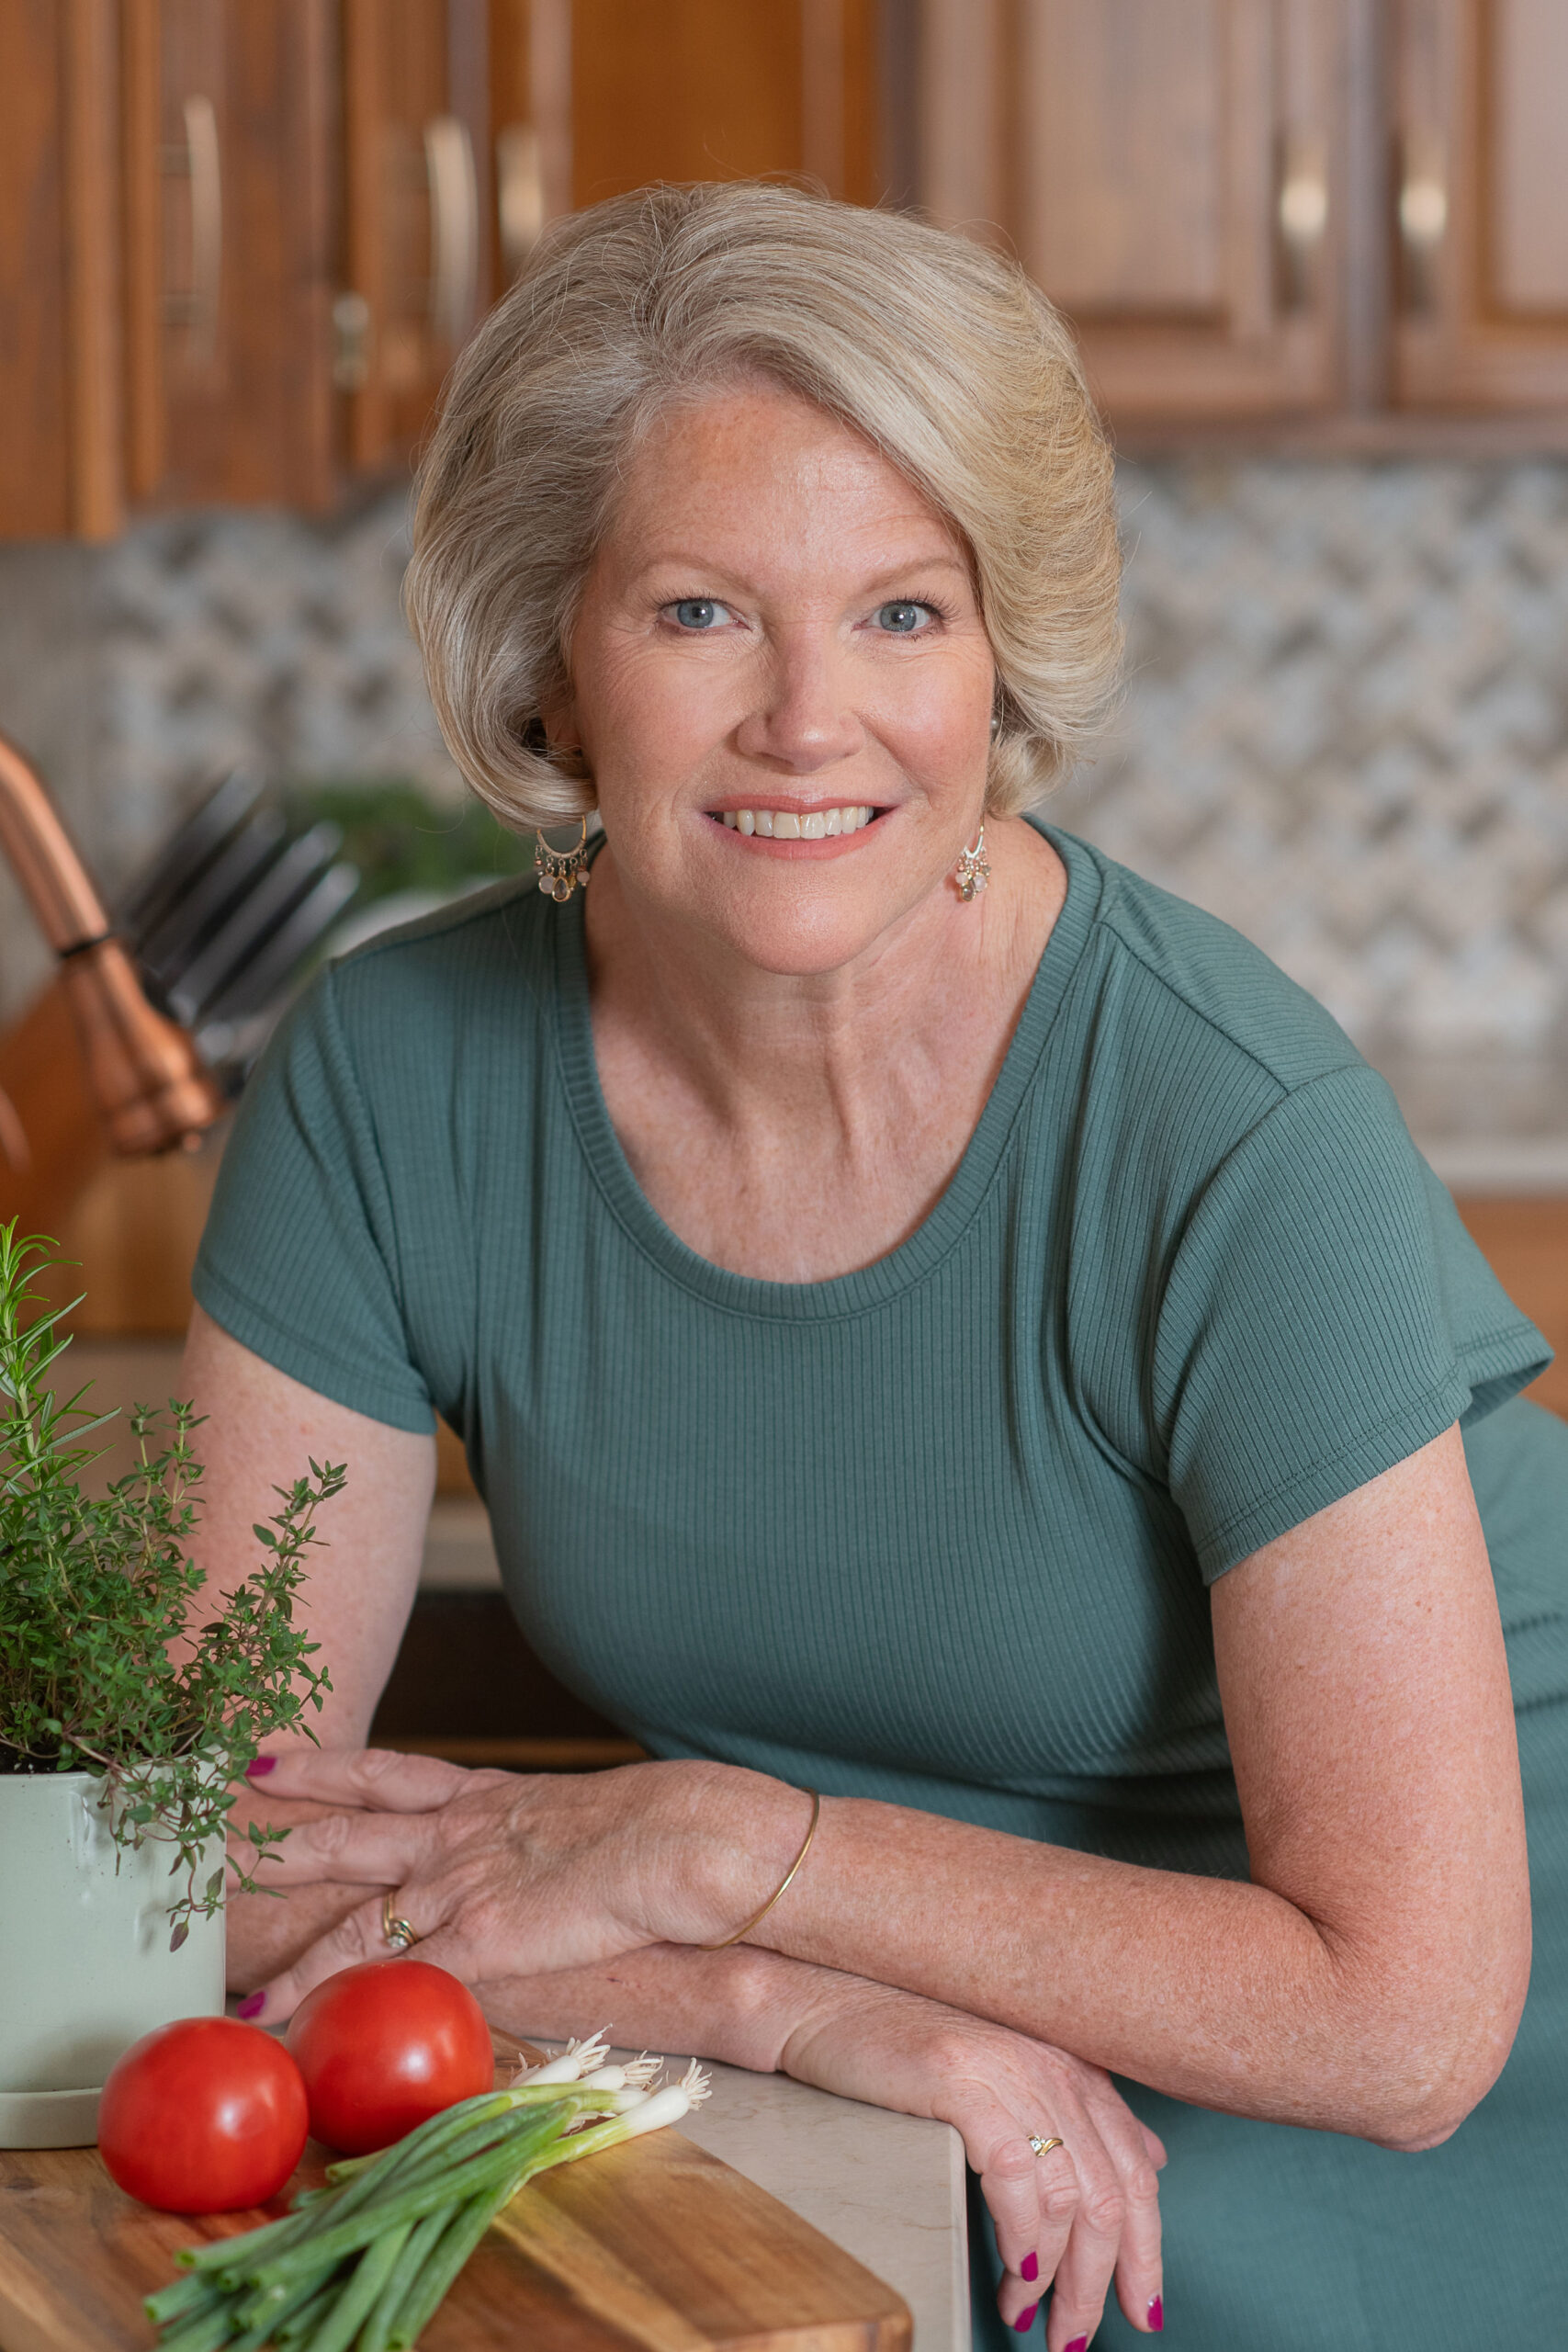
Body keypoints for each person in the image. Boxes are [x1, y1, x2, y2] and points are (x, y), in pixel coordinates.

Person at [186, 183, 1567, 2352]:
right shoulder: (387, 1082)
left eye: (904, 614)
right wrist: (777, 1991)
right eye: (702, 612)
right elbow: (217, 1852)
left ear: (1002, 646)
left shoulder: (1228, 1125)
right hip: (868, 2036)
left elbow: (1398, 2022)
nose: (809, 720)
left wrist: (730, 1846)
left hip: (1391, 2066)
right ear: (552, 646)